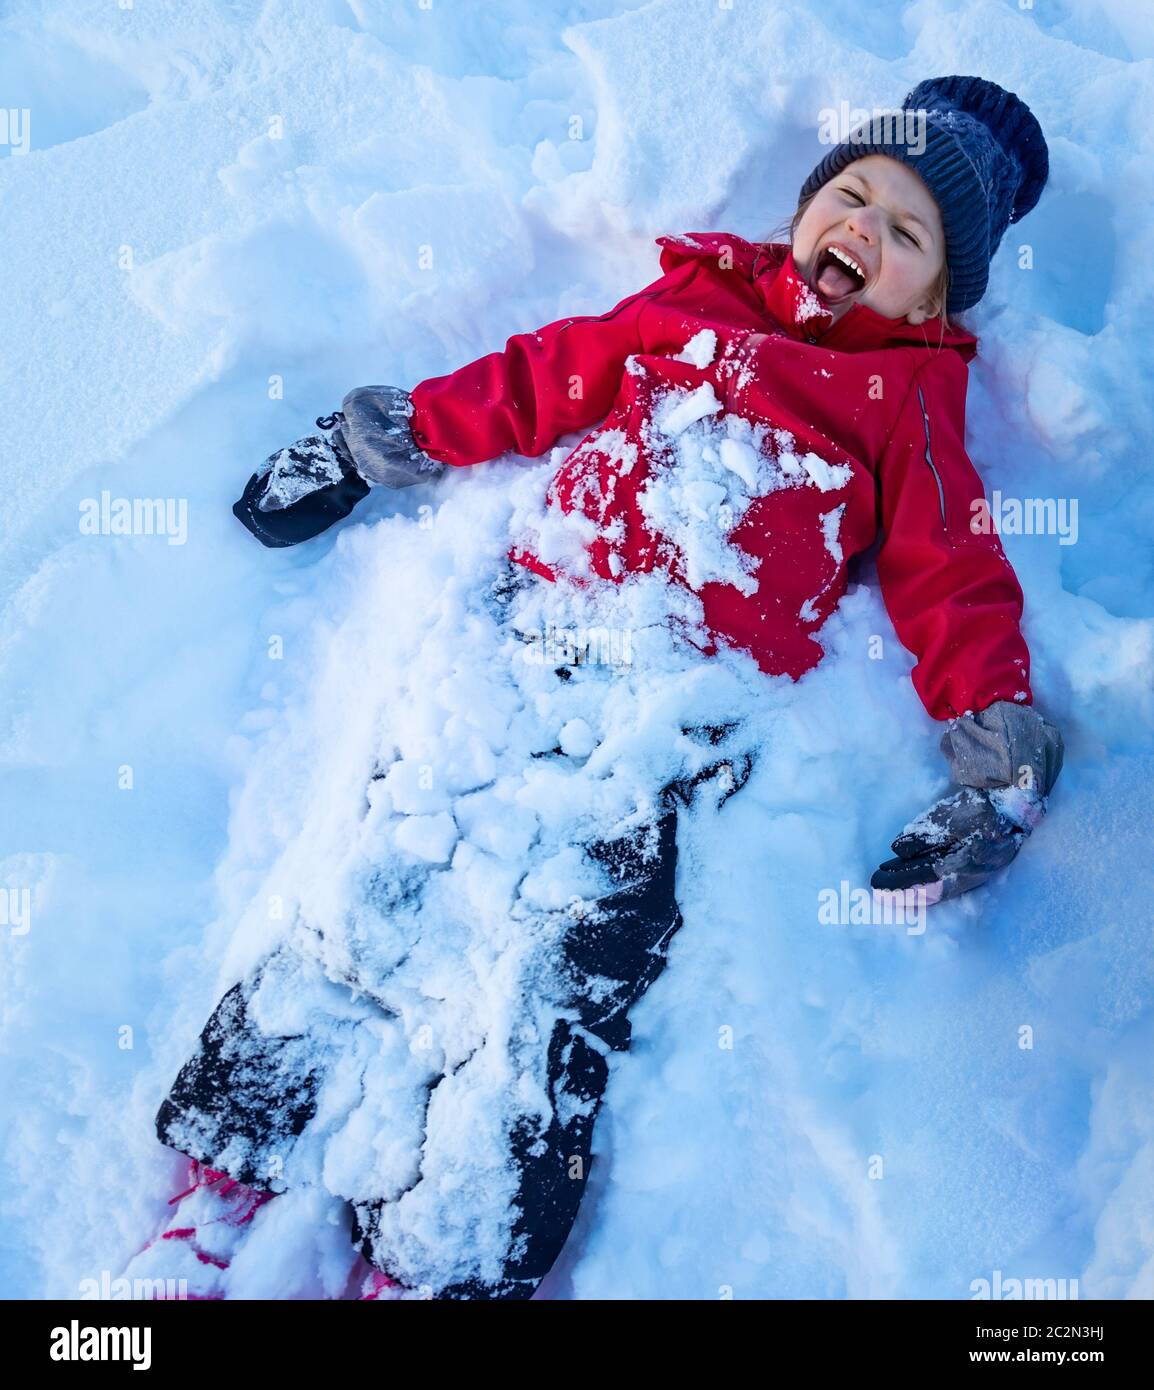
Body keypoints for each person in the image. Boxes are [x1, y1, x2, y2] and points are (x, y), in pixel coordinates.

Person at [134, 75, 1064, 1300]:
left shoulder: (906, 403)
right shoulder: (691, 302)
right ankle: (219, 1199)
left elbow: (953, 574)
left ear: (937, 295)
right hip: (516, 653)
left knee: (552, 976)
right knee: (376, 893)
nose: (863, 233)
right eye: (851, 195)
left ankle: (439, 1261)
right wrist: (380, 439)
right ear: (805, 205)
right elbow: (537, 377)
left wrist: (993, 758)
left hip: (662, 727)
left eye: (905, 236)